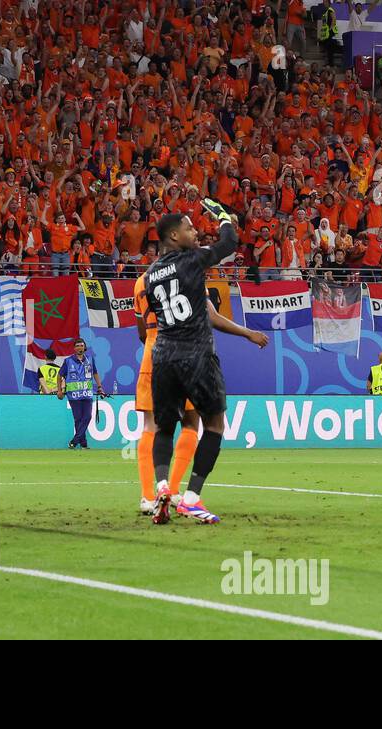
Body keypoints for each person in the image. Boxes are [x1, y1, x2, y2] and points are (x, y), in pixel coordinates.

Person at [133, 266, 268, 516]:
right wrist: (248, 333)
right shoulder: (189, 275)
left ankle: (148, 496)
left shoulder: (141, 281)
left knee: (151, 424)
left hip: (154, 353)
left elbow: (142, 331)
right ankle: (174, 491)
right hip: (189, 354)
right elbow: (211, 317)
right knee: (191, 423)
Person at [144, 201, 240, 525]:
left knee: (163, 427)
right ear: (173, 235)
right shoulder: (192, 261)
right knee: (214, 424)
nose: (195, 232)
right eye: (189, 228)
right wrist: (223, 216)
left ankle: (161, 487)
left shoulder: (150, 275)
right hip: (196, 353)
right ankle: (191, 498)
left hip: (163, 356)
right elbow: (229, 243)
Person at [57, 338, 104, 449]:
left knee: (87, 417)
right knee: (78, 419)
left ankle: (75, 440)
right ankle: (83, 443)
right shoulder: (68, 361)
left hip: (87, 394)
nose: (79, 348)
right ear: (74, 348)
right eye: (77, 346)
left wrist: (100, 387)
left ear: (84, 347)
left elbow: (95, 373)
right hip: (74, 395)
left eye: (81, 345)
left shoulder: (90, 359)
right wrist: (59, 390)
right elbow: (59, 376)